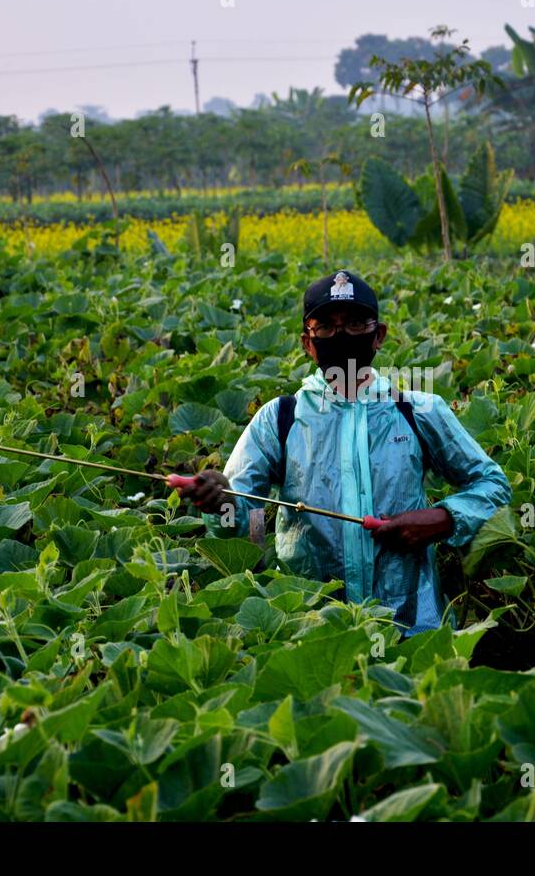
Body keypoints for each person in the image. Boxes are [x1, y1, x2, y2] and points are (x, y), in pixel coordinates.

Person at [178, 270, 511, 635]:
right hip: (309, 630)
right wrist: (218, 501)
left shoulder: (417, 410)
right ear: (308, 343)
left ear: (378, 335)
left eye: (355, 324)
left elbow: (493, 486)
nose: (341, 336)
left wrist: (443, 518)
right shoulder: (280, 418)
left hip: (414, 631)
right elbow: (241, 523)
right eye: (326, 328)